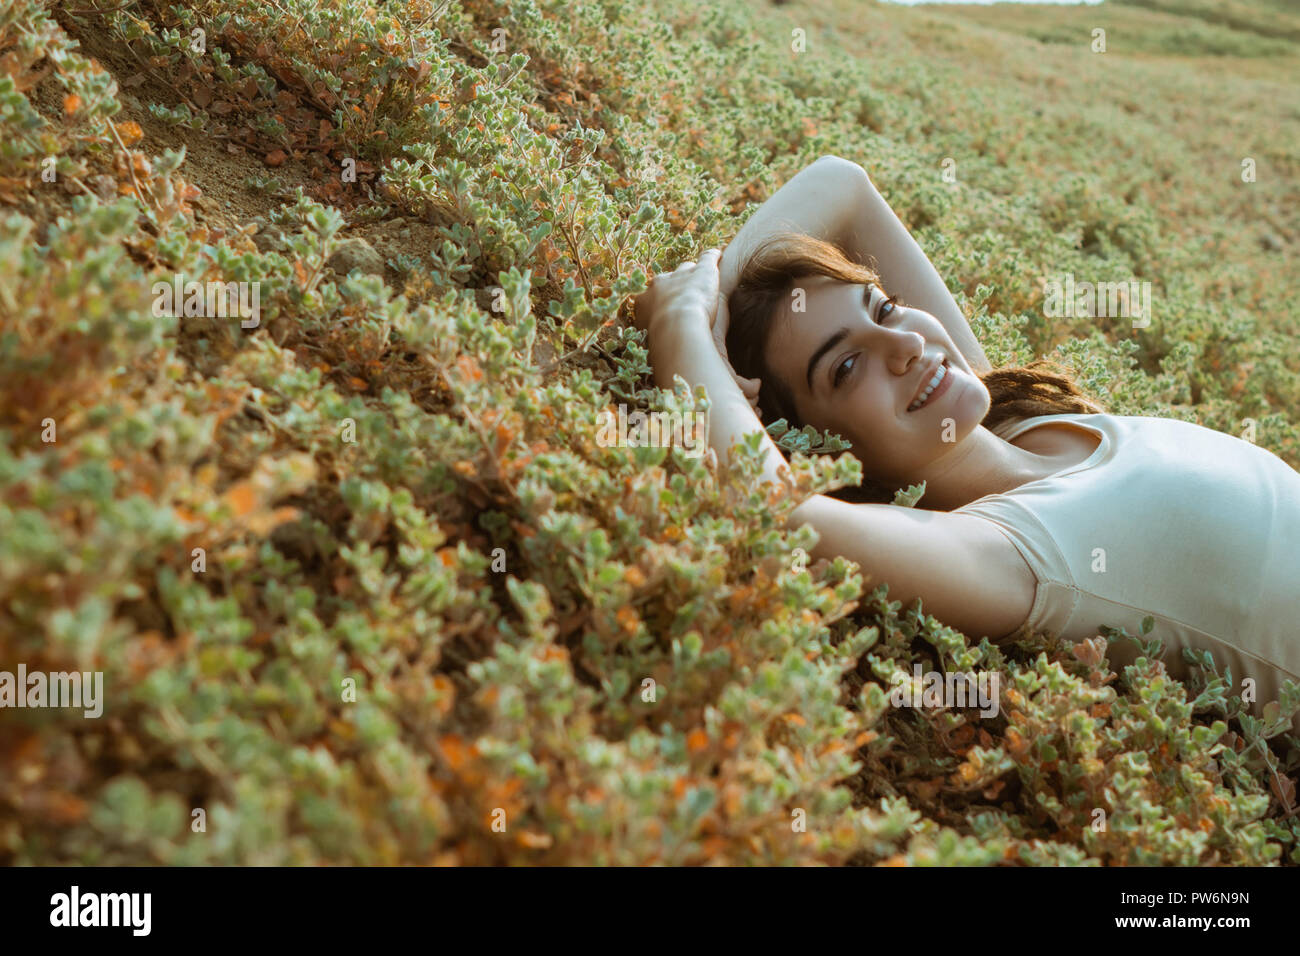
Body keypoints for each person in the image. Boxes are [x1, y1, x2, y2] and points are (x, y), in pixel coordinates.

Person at [632, 155, 1300, 731]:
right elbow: (774, 512)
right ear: (823, 454)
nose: (903, 345)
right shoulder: (1012, 554)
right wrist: (682, 325)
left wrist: (718, 299)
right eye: (844, 367)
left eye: (883, 308)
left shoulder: (1017, 426)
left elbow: (844, 186)